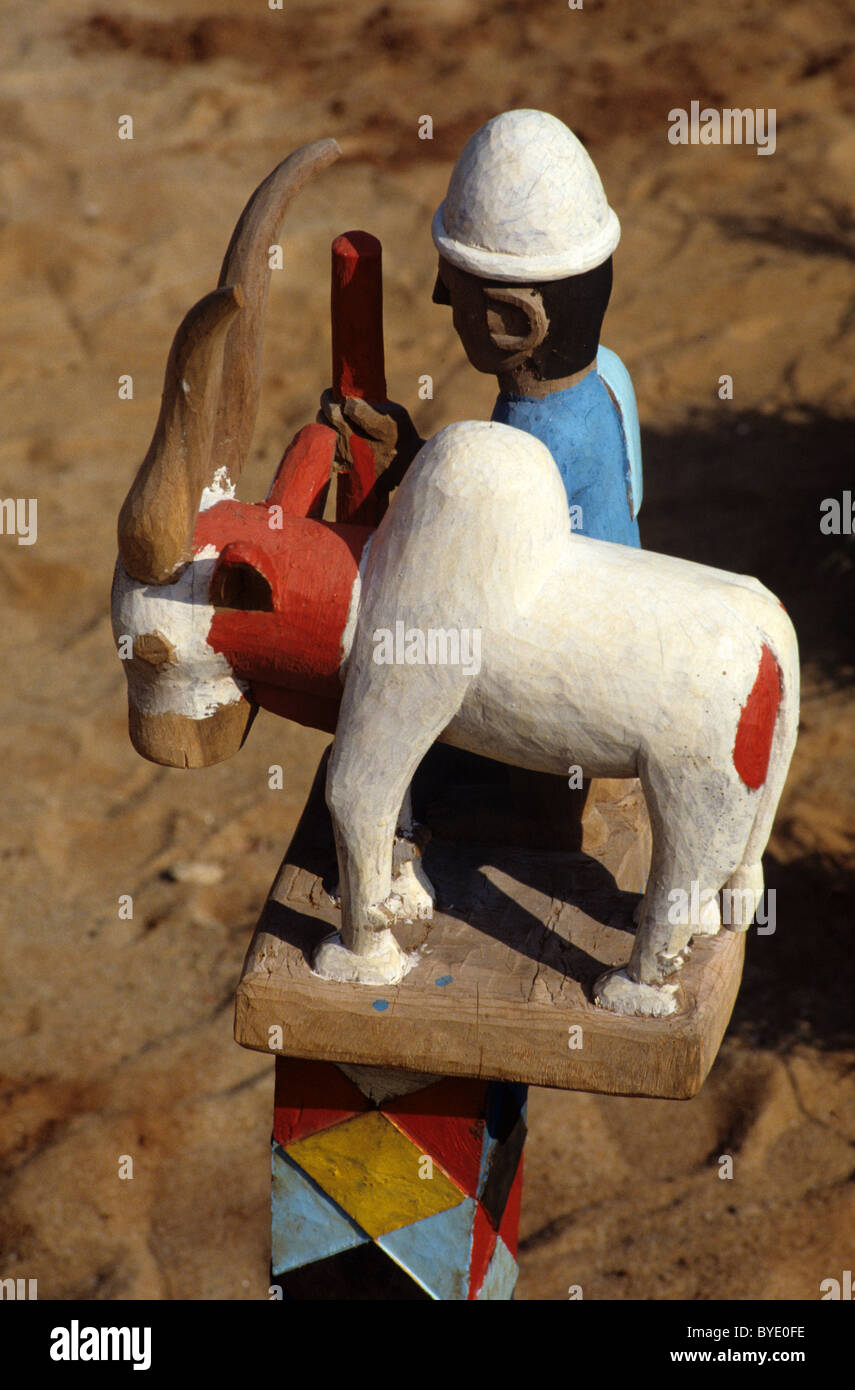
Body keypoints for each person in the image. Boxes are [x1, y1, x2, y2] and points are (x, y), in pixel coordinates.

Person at [322, 108, 642, 547]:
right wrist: (413, 456)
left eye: (454, 286)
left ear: (512, 322)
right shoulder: (609, 373)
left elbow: (465, 553)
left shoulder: (525, 449)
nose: (438, 297)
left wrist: (411, 467)